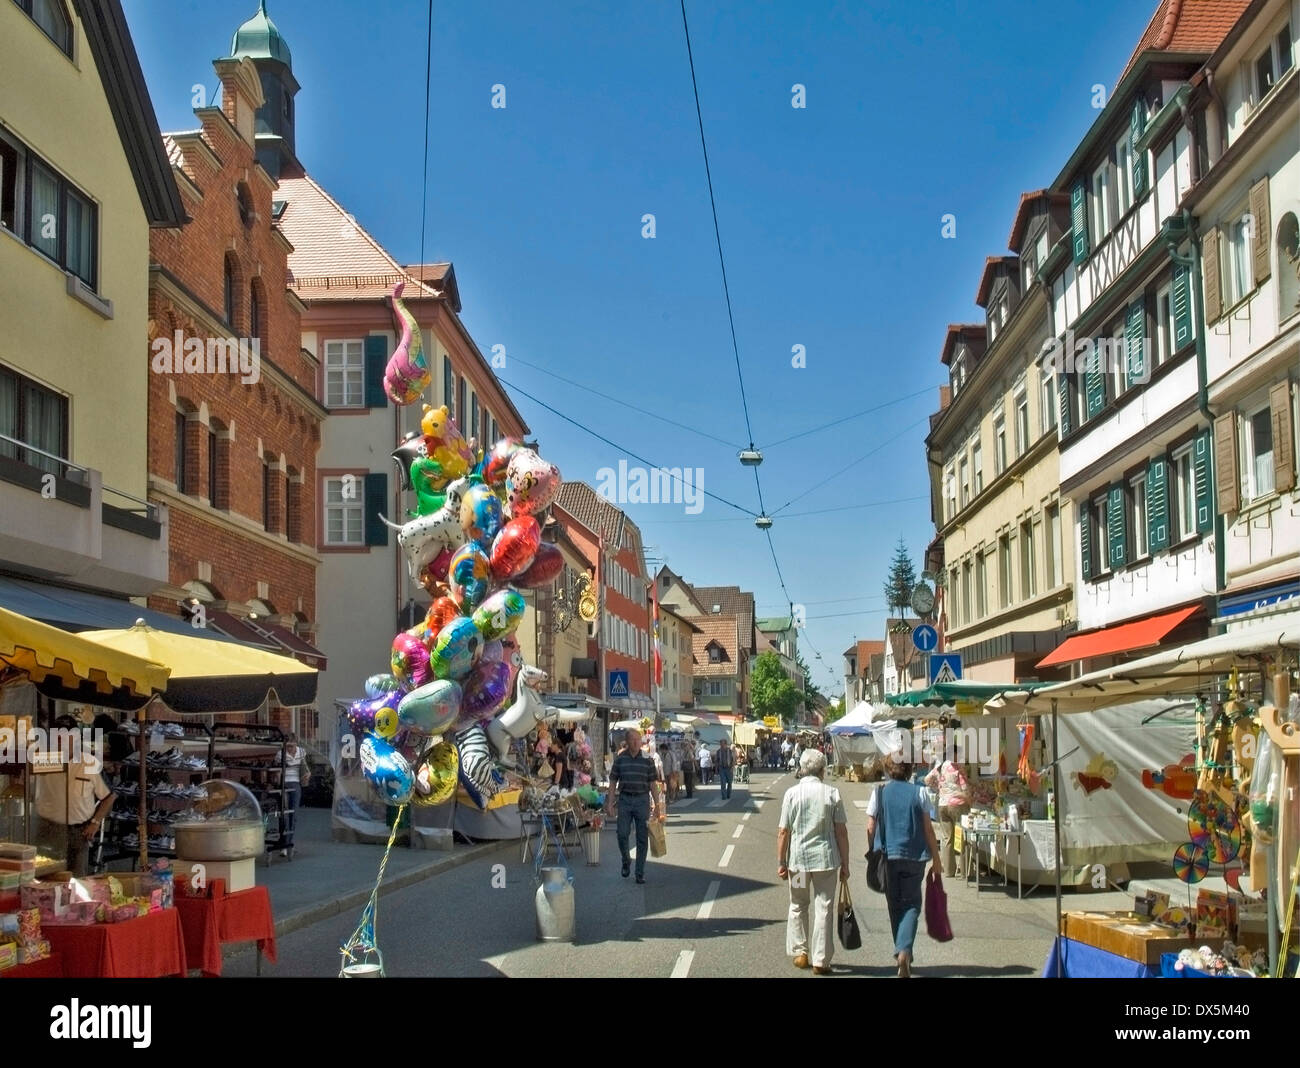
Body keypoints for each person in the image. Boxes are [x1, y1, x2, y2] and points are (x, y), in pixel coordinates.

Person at [866, 757, 941, 978]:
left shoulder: (879, 793)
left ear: (889, 771)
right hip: (915, 856)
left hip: (888, 855)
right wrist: (936, 859)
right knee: (912, 905)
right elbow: (928, 829)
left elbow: (870, 826)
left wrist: (872, 851)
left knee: (894, 904)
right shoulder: (920, 793)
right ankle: (904, 950)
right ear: (909, 770)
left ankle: (902, 949)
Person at [777, 749, 850, 975]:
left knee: (798, 904)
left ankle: (800, 953)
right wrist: (845, 864)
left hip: (797, 862)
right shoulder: (832, 793)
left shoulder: (791, 794)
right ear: (822, 770)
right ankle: (820, 959)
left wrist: (781, 861)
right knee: (824, 908)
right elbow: (841, 832)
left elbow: (783, 831)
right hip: (826, 862)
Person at [34, 716, 115, 877]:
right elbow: (25, 786)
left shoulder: (89, 763)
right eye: (56, 734)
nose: (60, 739)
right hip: (48, 831)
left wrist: (95, 823)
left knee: (76, 880)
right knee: (45, 878)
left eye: (66, 735)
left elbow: (109, 797)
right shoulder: (44, 760)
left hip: (79, 833)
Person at [606, 728, 662, 883]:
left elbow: (653, 784)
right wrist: (610, 803)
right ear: (627, 741)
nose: (637, 742)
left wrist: (657, 805)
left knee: (642, 838)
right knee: (622, 834)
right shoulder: (620, 759)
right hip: (624, 800)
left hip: (642, 800)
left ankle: (639, 873)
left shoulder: (647, 759)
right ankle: (626, 860)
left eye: (639, 739)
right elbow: (612, 782)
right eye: (633, 739)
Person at [925, 758, 970, 878]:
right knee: (962, 837)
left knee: (947, 838)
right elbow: (965, 789)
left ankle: (949, 871)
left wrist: (938, 788)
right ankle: (964, 871)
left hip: (942, 805)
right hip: (957, 805)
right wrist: (967, 798)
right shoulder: (958, 767)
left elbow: (927, 779)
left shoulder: (940, 767)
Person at [282, 733, 311, 858]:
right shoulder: (280, 754)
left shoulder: (301, 752)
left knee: (294, 814)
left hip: (295, 782)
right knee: (285, 814)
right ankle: (284, 844)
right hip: (284, 783)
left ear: (296, 744)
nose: (290, 749)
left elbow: (305, 767)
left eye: (292, 746)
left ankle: (290, 843)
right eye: (287, 746)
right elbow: (278, 772)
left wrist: (307, 774)